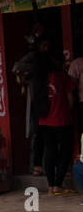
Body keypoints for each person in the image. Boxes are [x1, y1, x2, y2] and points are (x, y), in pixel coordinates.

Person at [13, 33, 54, 175]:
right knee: (38, 133)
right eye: (44, 46)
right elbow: (16, 67)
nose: (46, 48)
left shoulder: (48, 59)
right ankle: (37, 165)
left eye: (48, 46)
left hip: (49, 99)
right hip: (36, 100)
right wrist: (35, 68)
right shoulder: (33, 57)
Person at [40, 60, 76, 195]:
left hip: (44, 120)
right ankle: (58, 185)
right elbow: (70, 97)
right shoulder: (62, 77)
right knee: (65, 152)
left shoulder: (40, 77)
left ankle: (50, 186)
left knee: (49, 151)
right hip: (62, 119)